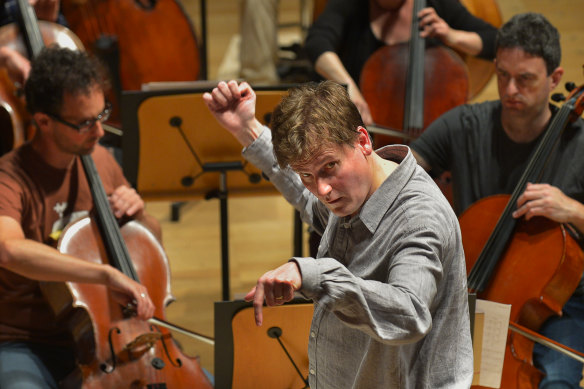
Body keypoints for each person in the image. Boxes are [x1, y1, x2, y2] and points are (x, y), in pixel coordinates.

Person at [203, 79, 473, 387]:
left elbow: (409, 312)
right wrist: (247, 128)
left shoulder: (419, 218)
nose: (323, 189)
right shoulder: (357, 189)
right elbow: (310, 201)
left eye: (329, 167)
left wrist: (315, 274)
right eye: (307, 175)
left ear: (362, 141)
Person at [410, 12, 584, 388]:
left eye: (525, 79)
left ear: (555, 79)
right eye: (503, 75)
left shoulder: (580, 143)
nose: (509, 90)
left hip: (560, 304)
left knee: (559, 381)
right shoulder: (464, 125)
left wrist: (574, 210)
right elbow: (403, 172)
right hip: (477, 296)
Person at [0, 46, 158, 388]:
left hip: (109, 334)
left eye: (102, 115)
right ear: (43, 121)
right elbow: (9, 249)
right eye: (85, 123)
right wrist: (104, 274)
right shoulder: (9, 178)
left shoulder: (99, 159)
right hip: (26, 342)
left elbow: (152, 240)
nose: (100, 133)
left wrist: (140, 216)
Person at [305, 0, 498, 125]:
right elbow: (317, 43)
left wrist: (452, 36)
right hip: (368, 131)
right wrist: (350, 90)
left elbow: (495, 41)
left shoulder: (436, 3)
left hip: (431, 135)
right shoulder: (352, 5)